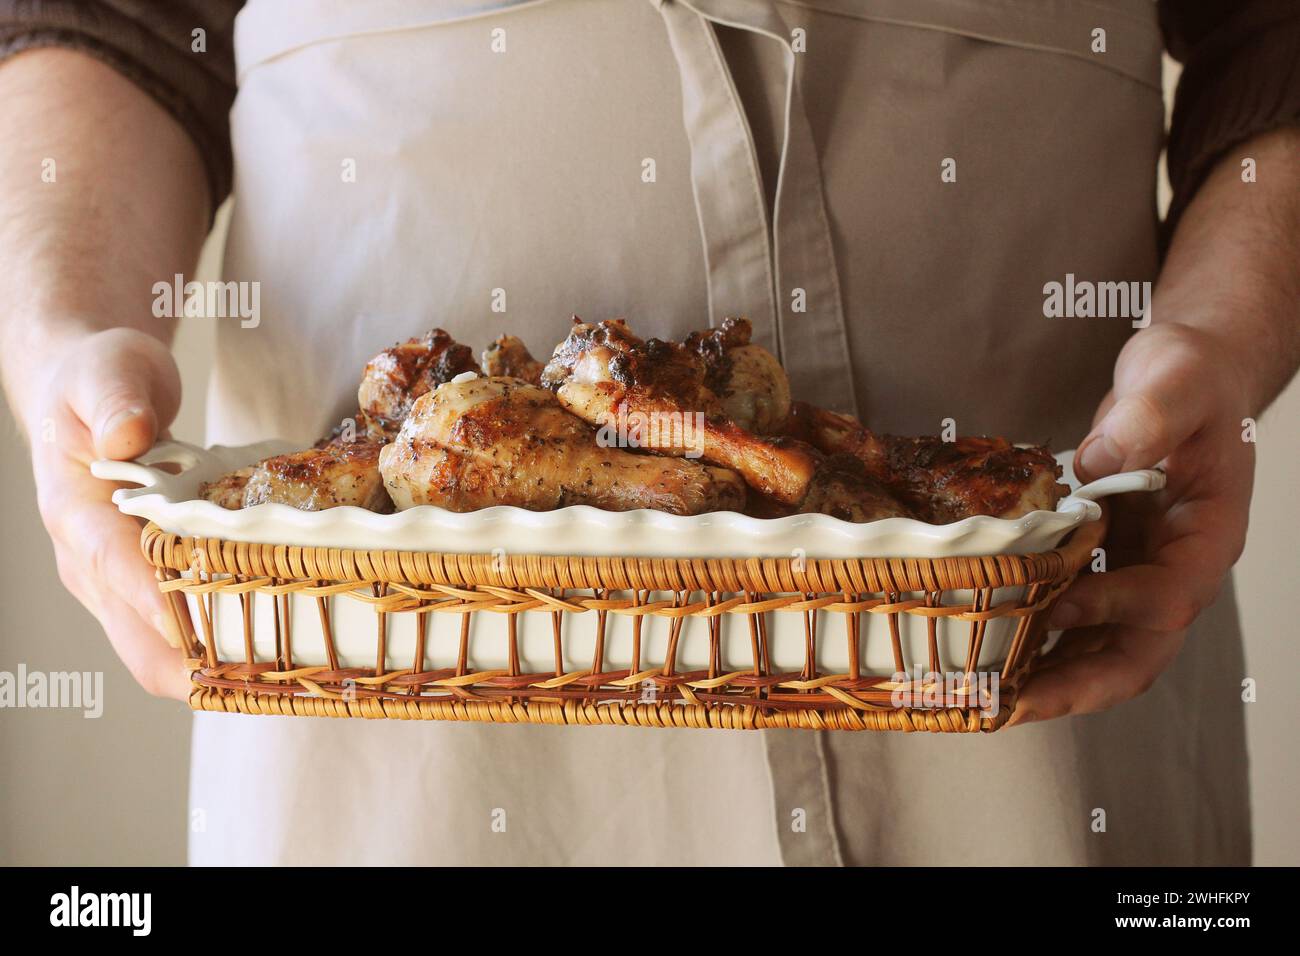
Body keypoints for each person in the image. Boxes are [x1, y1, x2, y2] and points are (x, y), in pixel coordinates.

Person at [1, 0, 1296, 866]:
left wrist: (1226, 339)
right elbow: (97, 17)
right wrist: (65, 328)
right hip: (402, 698)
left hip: (1027, 622)